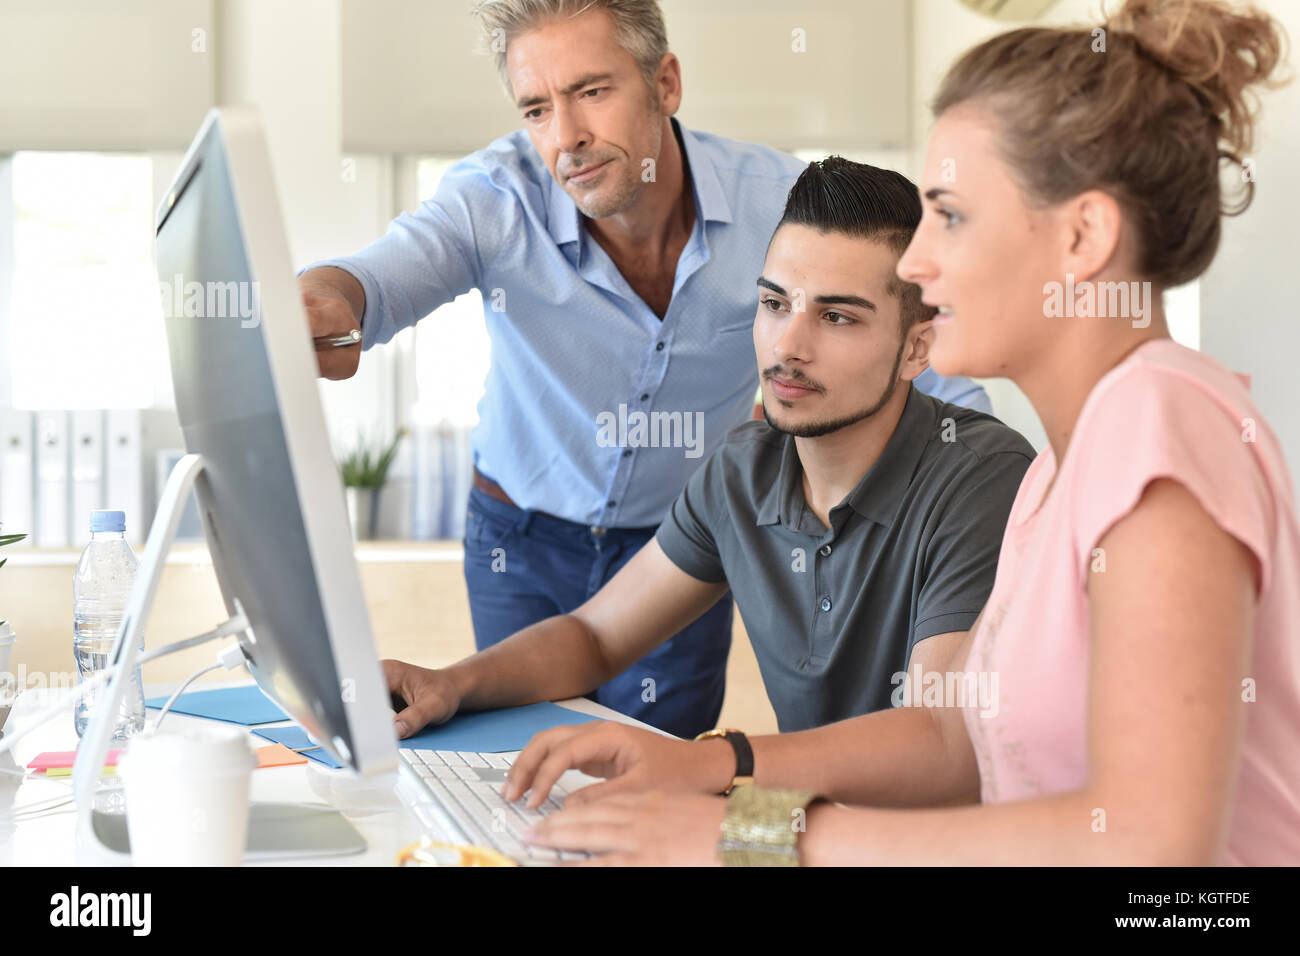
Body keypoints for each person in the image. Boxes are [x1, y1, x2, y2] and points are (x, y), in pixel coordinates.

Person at [506, 0, 1300, 866]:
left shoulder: (1159, 427)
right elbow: (957, 747)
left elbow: (1155, 846)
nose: (918, 264)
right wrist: (721, 782)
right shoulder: (1064, 473)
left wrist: (747, 835)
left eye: (950, 217)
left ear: (1084, 236)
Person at [298, 0, 989, 738]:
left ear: (665, 84)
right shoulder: (493, 199)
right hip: (520, 533)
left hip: (679, 545)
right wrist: (325, 303)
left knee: (654, 759)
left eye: (593, 92)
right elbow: (380, 278)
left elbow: (930, 354)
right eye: (536, 108)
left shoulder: (781, 208)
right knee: (515, 754)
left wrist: (1013, 495)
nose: (566, 138)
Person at [382, 157, 1033, 743]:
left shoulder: (983, 478)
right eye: (775, 304)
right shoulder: (741, 472)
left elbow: (931, 747)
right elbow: (596, 636)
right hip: (798, 823)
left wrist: (721, 773)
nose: (787, 347)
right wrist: (452, 685)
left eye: (837, 317)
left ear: (918, 347)